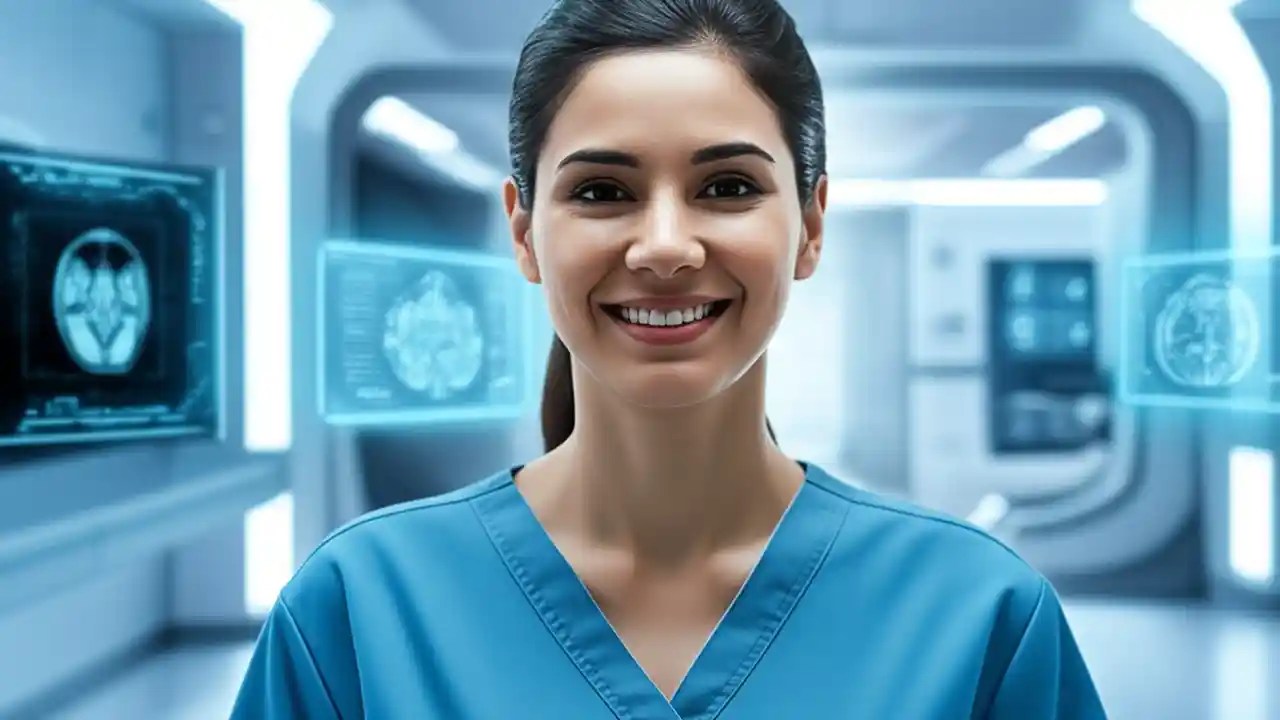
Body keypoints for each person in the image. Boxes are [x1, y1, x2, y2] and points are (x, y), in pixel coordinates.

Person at [230, 0, 1109, 717]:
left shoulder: (978, 617)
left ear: (809, 224)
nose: (664, 245)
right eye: (602, 191)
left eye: (726, 187)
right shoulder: (360, 614)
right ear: (526, 232)